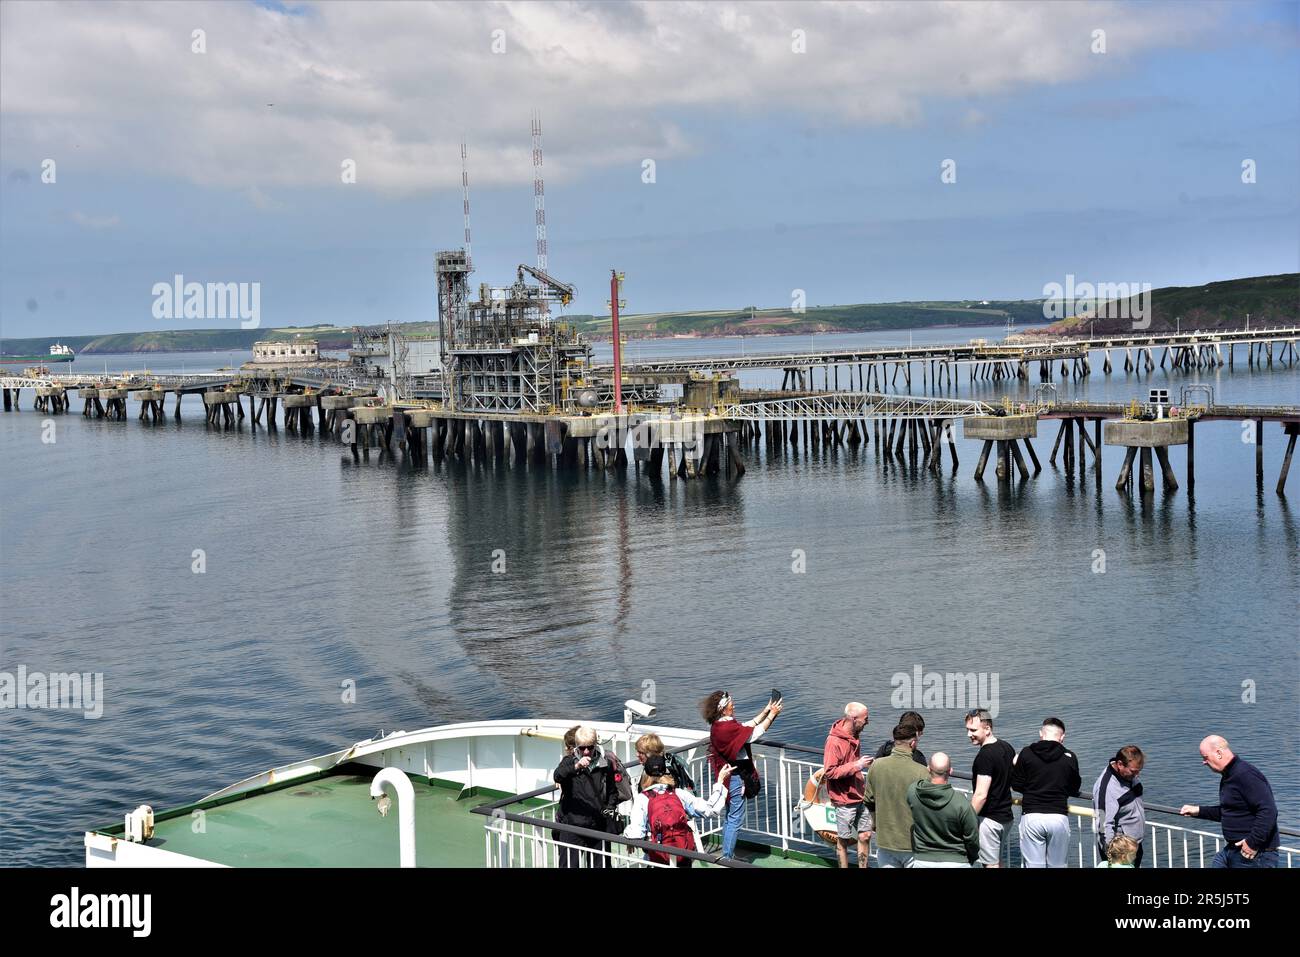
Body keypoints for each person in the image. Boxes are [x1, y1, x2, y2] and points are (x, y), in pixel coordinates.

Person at [702, 690, 783, 860]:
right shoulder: (726, 728)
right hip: (735, 778)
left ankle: (726, 855)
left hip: (727, 776)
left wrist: (766, 710)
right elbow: (753, 734)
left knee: (730, 816)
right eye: (731, 702)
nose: (734, 704)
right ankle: (727, 858)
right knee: (735, 820)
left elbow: (745, 728)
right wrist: (772, 716)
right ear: (723, 709)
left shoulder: (720, 725)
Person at [1180, 735, 1279, 868]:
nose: (1203, 762)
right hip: (1232, 850)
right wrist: (1198, 810)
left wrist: (1252, 843)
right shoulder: (1229, 775)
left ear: (1219, 753)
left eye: (1205, 757)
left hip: (1253, 854)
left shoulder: (1245, 774)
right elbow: (1231, 811)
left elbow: (1268, 811)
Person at [624, 755, 732, 867]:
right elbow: (710, 809)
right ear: (666, 771)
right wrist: (720, 781)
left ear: (645, 774)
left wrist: (628, 837)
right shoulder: (678, 793)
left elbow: (636, 832)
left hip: (658, 857)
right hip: (683, 854)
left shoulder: (642, 798)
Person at [1010, 717, 1081, 868]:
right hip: (1058, 816)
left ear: (1041, 734)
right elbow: (1074, 788)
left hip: (1032, 815)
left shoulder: (1026, 753)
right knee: (1058, 865)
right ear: (1062, 737)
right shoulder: (1069, 757)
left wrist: (1031, 787)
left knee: (1034, 865)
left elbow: (1016, 784)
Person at [552, 726, 622, 868]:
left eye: (590, 747)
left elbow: (612, 792)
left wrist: (609, 809)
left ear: (595, 745)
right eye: (582, 748)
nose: (586, 751)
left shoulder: (605, 764)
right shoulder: (568, 762)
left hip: (598, 825)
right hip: (573, 826)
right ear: (576, 747)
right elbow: (557, 775)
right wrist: (576, 766)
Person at [863, 722, 929, 867]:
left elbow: (868, 800)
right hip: (912, 843)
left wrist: (875, 824)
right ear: (912, 743)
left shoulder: (876, 766)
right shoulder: (922, 771)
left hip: (885, 841)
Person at [822, 702, 873, 868]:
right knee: (843, 840)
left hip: (860, 794)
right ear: (853, 718)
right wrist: (857, 765)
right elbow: (830, 772)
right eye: (865, 719)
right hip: (844, 800)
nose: (867, 722)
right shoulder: (834, 742)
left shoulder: (854, 734)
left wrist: (860, 765)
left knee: (865, 835)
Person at [907, 752, 980, 868]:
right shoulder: (961, 803)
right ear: (950, 771)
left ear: (928, 769)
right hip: (957, 861)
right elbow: (972, 838)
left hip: (922, 860)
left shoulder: (913, 792)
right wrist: (970, 858)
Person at [965, 708, 1015, 868]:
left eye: (973, 730)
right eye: (967, 730)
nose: (969, 734)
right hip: (1006, 816)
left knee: (990, 865)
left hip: (989, 820)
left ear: (987, 729)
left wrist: (966, 820)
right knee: (996, 862)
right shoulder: (1007, 747)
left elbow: (981, 795)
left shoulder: (985, 757)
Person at [1092, 745, 1146, 867]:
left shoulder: (1129, 776)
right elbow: (1102, 824)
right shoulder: (1107, 788)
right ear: (1120, 764)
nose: (1137, 775)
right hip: (1119, 853)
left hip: (1133, 846)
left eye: (1139, 771)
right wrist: (1111, 856)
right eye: (1133, 771)